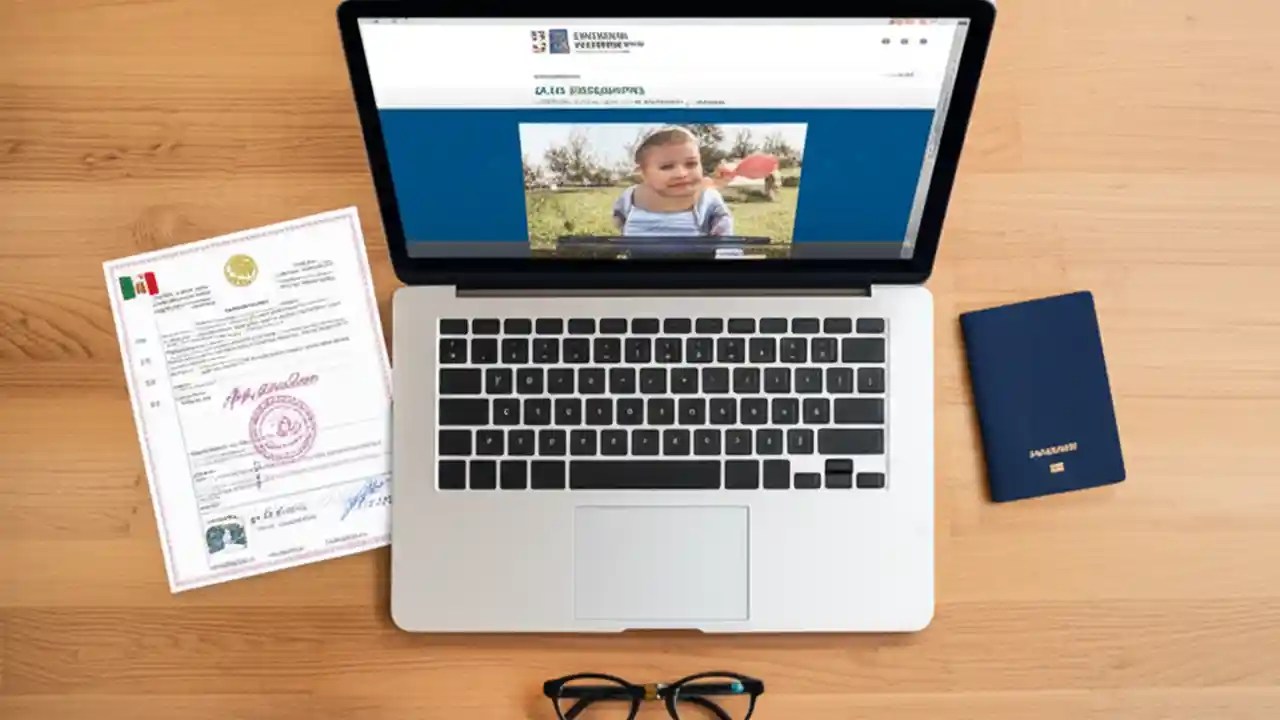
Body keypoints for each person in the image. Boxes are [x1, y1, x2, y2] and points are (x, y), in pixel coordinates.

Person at [613, 126, 734, 237]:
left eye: (691, 164)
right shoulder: (629, 198)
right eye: (667, 167)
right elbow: (619, 223)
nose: (681, 174)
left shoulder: (708, 198)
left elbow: (726, 243)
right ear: (643, 173)